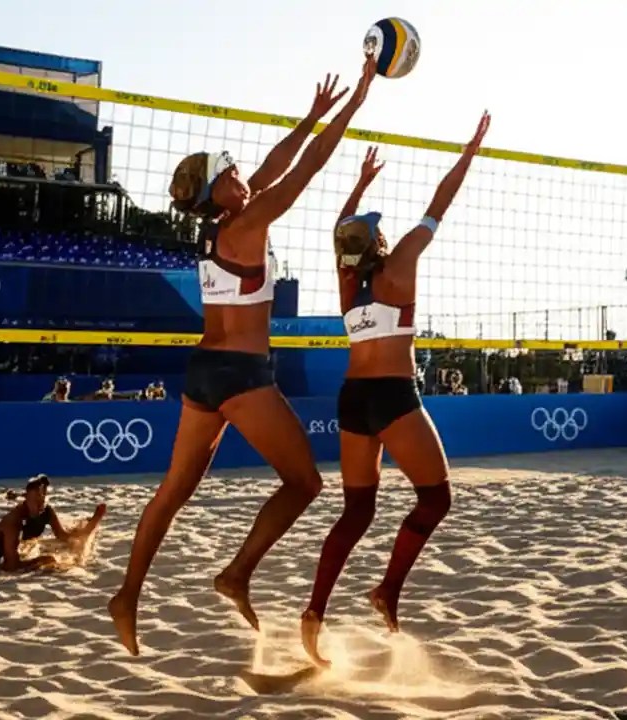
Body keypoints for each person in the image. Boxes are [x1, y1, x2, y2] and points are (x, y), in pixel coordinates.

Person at [108, 55, 378, 656]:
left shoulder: (228, 222)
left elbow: (276, 166)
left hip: (204, 372)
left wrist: (311, 114)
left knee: (172, 492)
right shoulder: (249, 218)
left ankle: (127, 596)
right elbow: (302, 172)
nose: (241, 171)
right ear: (218, 188)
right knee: (305, 483)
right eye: (231, 168)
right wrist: (355, 104)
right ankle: (236, 573)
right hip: (240, 375)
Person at [300, 112, 491, 667]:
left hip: (352, 398)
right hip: (392, 395)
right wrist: (469, 153)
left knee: (356, 511)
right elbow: (440, 204)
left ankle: (314, 612)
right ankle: (387, 590)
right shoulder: (400, 263)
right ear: (380, 241)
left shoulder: (346, 282)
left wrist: (359, 185)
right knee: (436, 498)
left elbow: (341, 231)